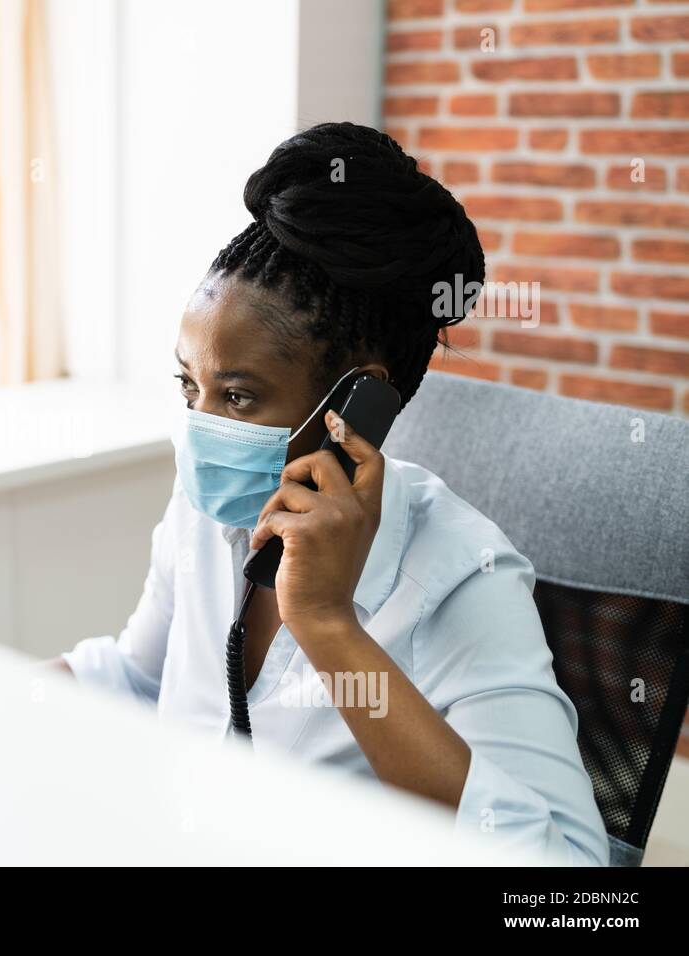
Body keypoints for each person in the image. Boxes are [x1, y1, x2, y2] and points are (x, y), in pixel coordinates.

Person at [47, 122, 609, 866]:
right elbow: (138, 678)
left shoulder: (461, 582)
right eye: (191, 386)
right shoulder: (208, 513)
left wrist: (327, 625)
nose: (200, 429)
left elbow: (571, 882)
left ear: (358, 406)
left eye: (239, 397)